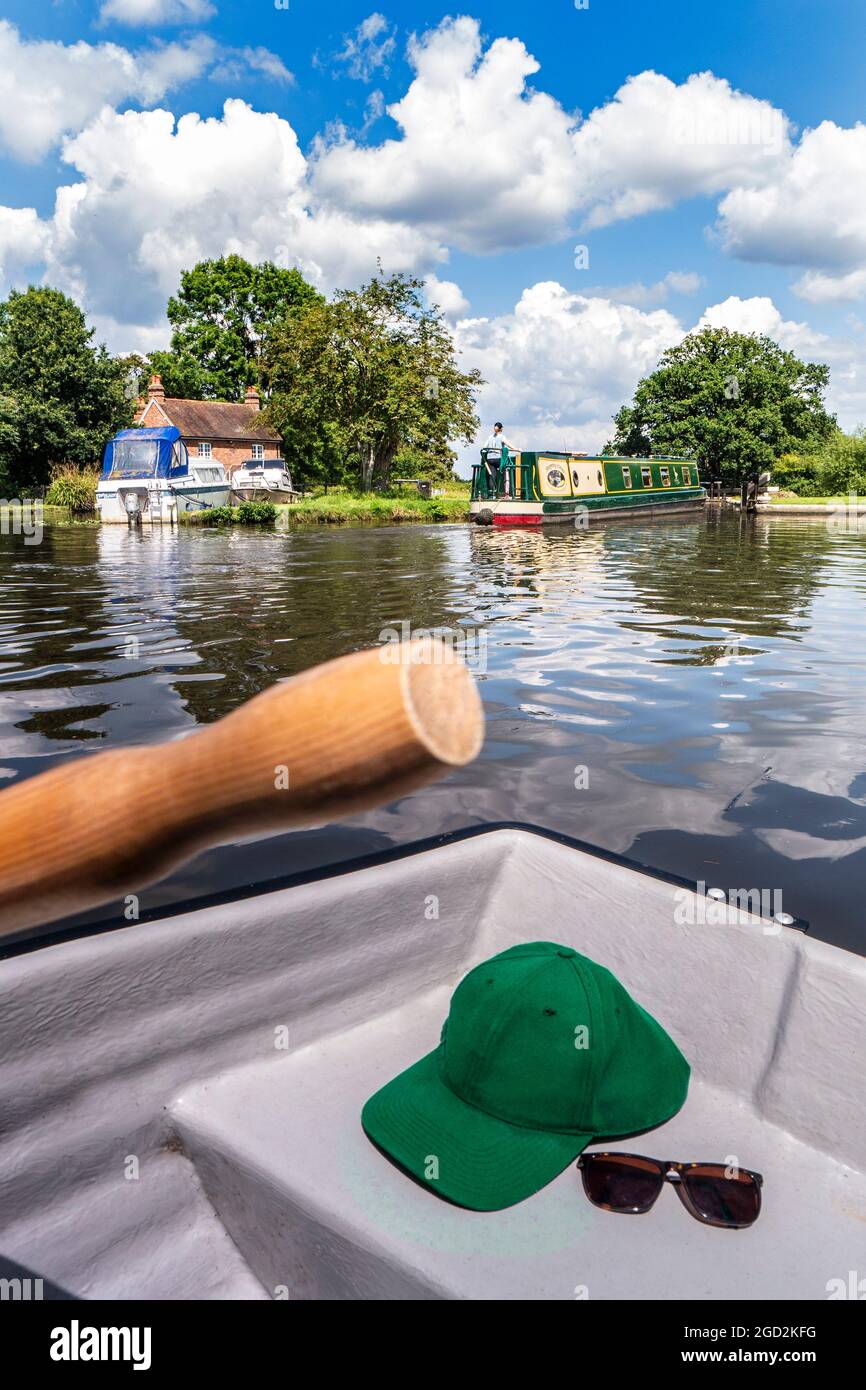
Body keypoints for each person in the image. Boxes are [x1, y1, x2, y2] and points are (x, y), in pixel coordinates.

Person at [481, 422, 516, 496]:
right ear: (501, 429)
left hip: (490, 459)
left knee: (492, 476)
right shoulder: (502, 437)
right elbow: (508, 445)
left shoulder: (490, 437)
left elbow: (484, 447)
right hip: (498, 458)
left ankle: (492, 494)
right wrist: (516, 449)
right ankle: (507, 493)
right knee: (506, 473)